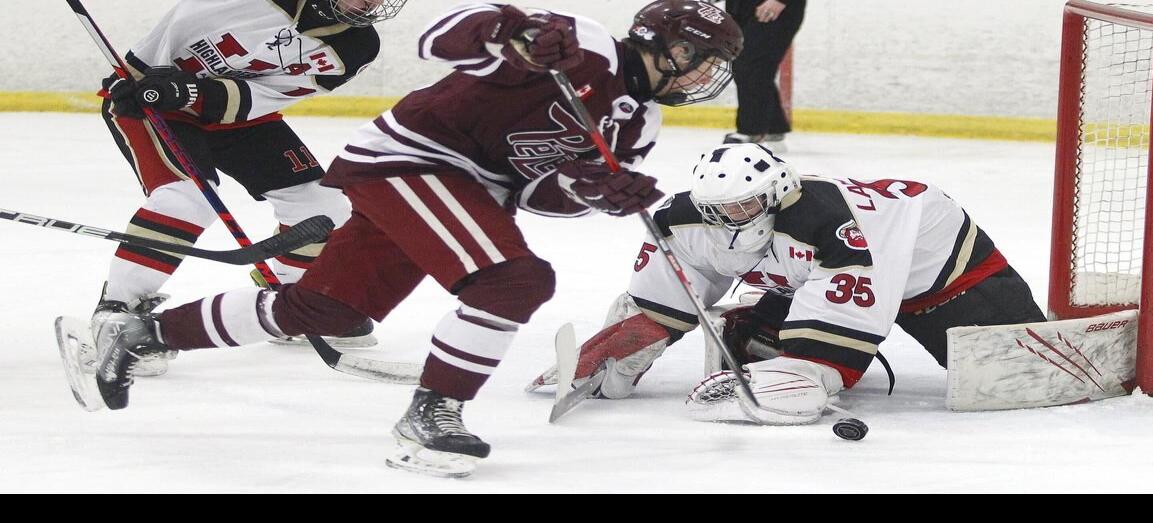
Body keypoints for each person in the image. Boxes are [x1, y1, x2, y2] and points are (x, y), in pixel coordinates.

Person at [80, 1, 744, 477]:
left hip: (463, 190)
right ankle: (434, 413)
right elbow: (441, 40)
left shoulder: (641, 123)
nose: (703, 77)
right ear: (672, 47)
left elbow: (539, 196)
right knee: (514, 279)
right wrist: (504, 28)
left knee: (326, 309)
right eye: (703, 61)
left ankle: (142, 336)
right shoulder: (585, 42)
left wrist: (587, 191)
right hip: (414, 161)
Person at [530, 143, 1046, 425]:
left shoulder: (832, 222)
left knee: (1020, 375)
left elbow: (846, 325)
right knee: (787, 299)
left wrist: (807, 375)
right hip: (806, 275)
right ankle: (756, 323)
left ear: (778, 191)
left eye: (744, 206)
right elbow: (665, 297)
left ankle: (775, 334)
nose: (730, 220)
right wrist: (620, 347)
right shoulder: (682, 220)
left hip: (943, 273)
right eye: (718, 210)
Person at [91, 0, 407, 374]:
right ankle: (117, 312)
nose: (371, 3)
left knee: (322, 203)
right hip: (156, 105)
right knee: (187, 200)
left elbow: (268, 95)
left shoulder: (355, 47)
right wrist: (137, 75)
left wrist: (196, 93)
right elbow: (175, 28)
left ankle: (293, 302)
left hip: (237, 117)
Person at [720, 0, 806, 152]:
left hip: (775, 8)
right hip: (740, 7)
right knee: (745, 65)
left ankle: (751, 130)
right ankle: (774, 126)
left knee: (752, 64)